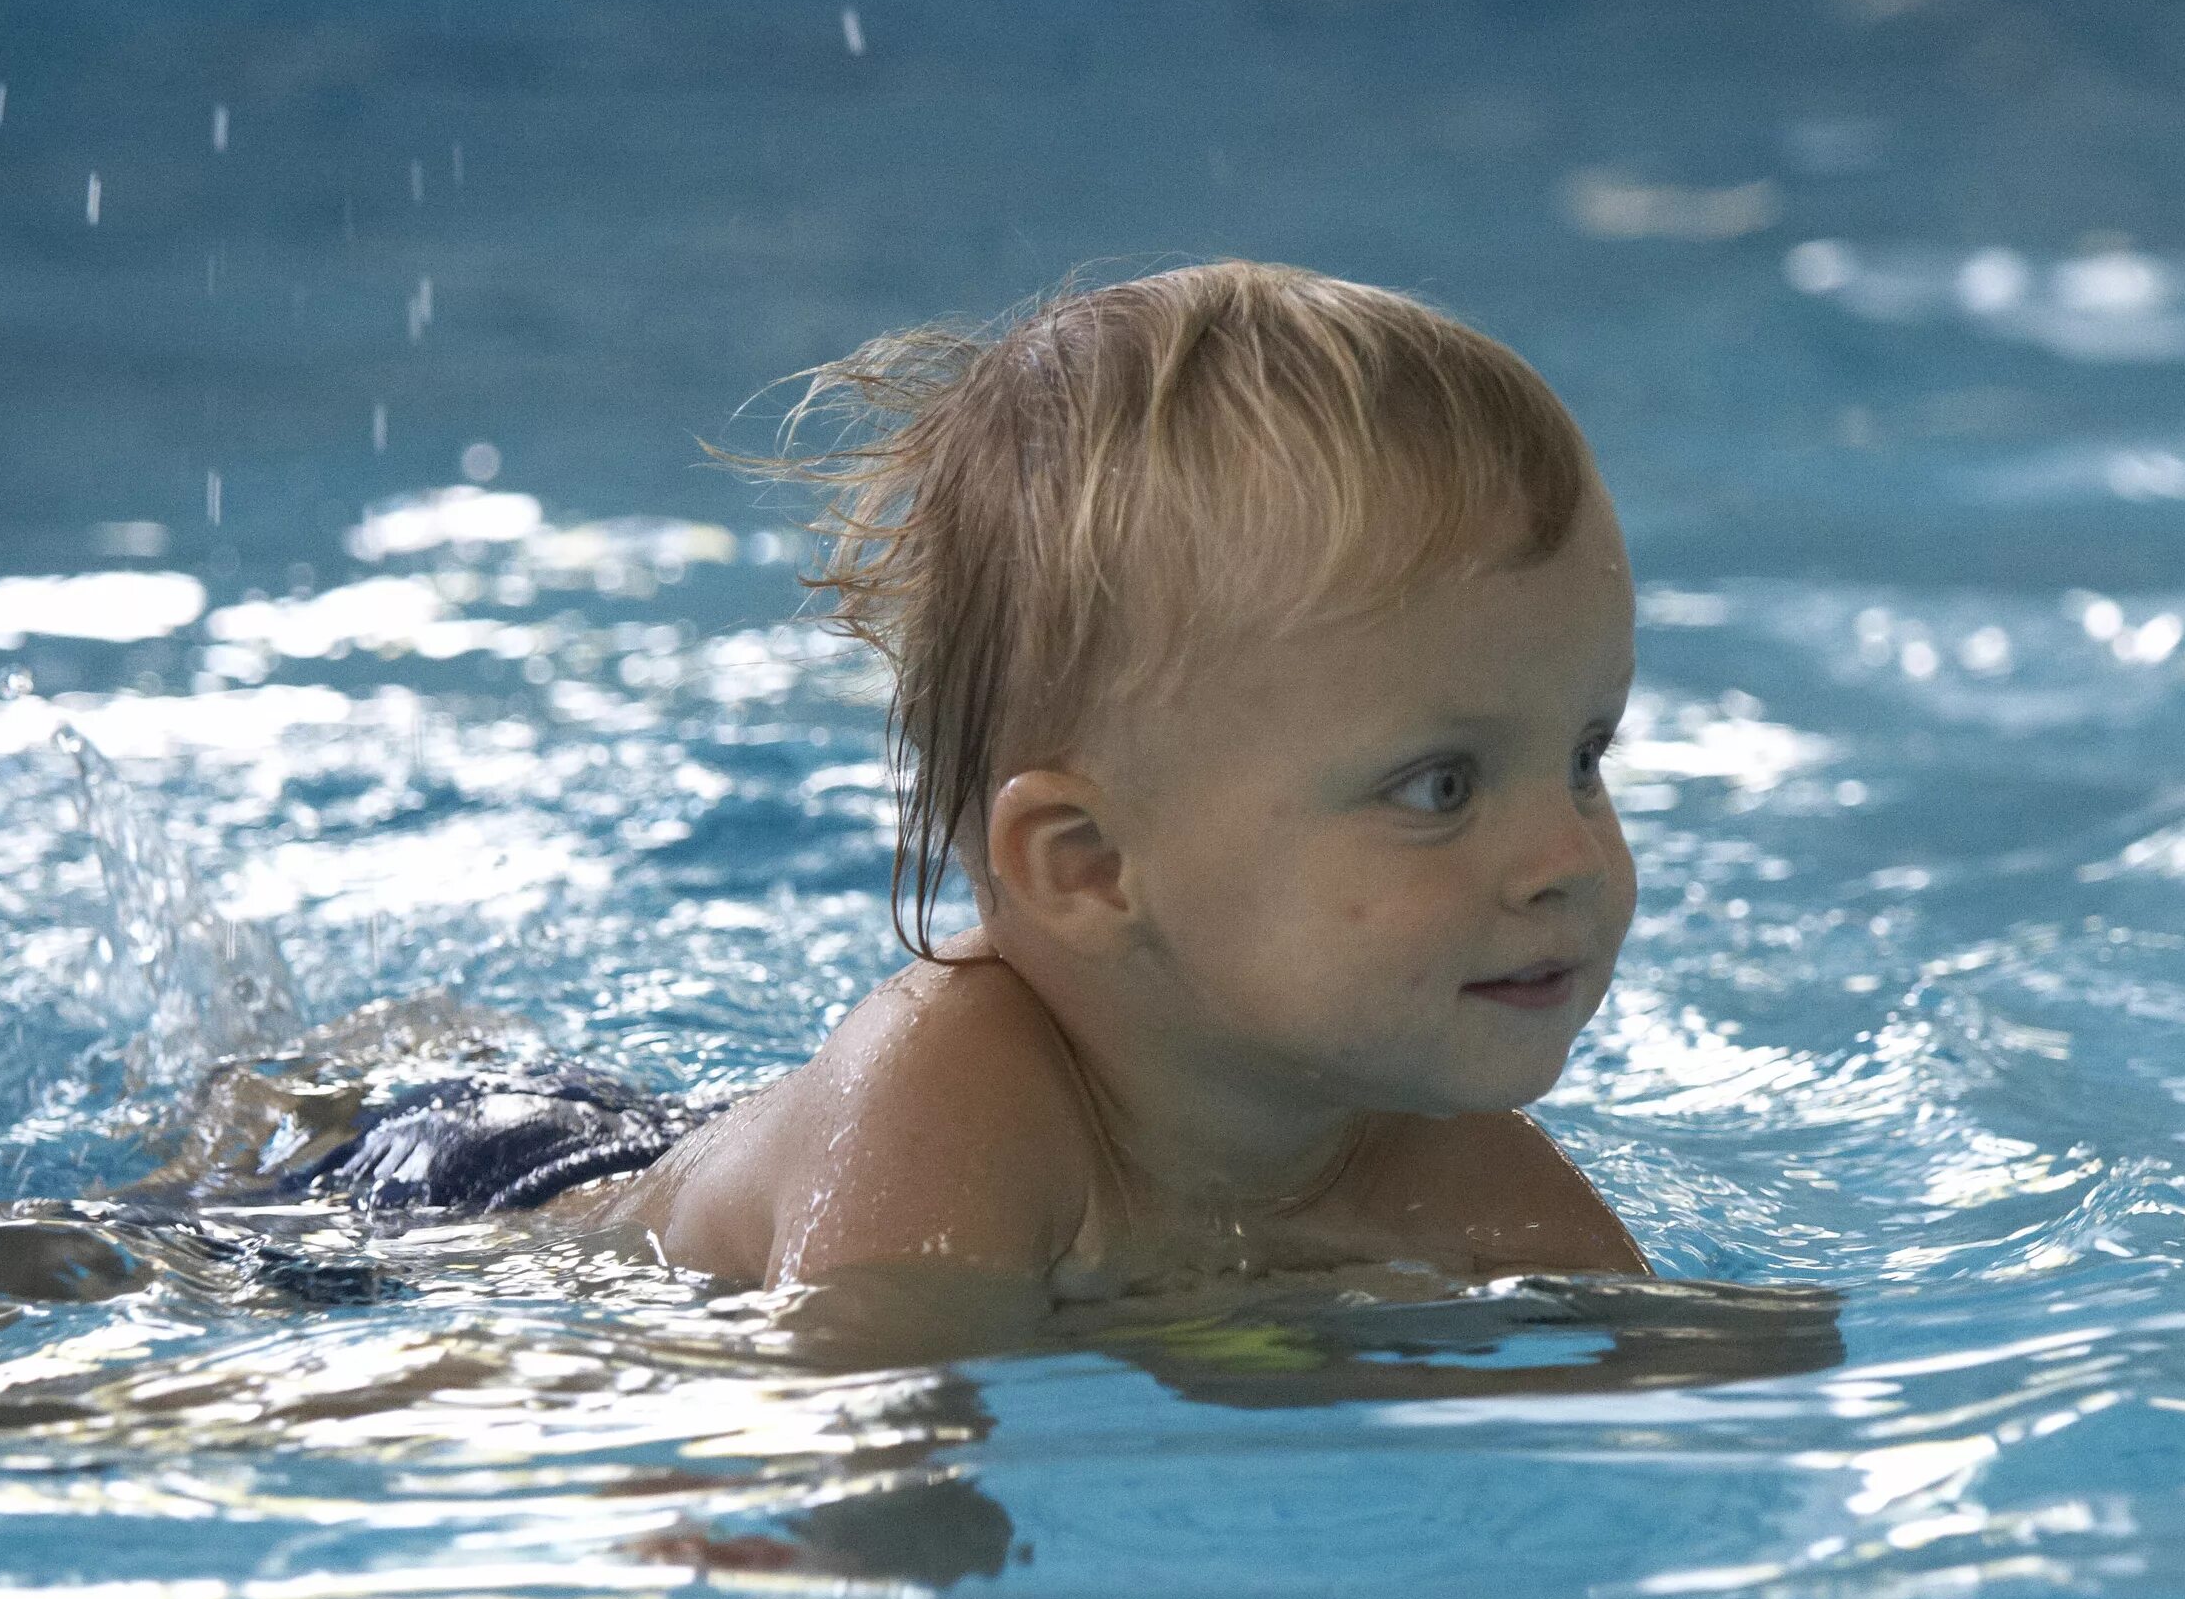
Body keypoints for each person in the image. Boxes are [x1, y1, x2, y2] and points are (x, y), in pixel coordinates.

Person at [302, 261, 1652, 1354]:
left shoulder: (1447, 1152)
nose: (1567, 857)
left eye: (1585, 757)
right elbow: (845, 1448)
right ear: (1088, 863)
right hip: (444, 1206)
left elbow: (1674, 1386)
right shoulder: (951, 1094)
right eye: (1441, 788)